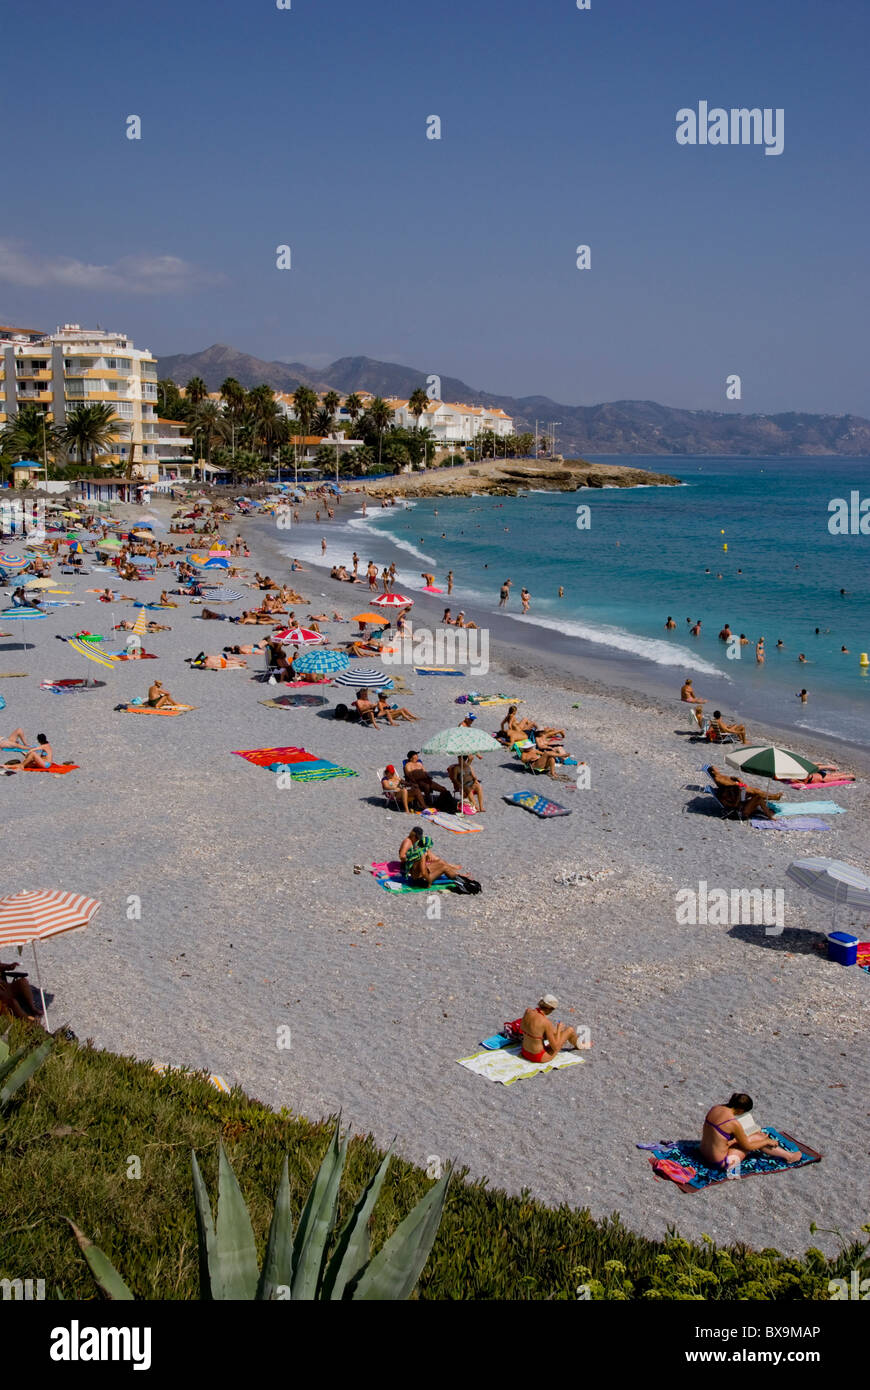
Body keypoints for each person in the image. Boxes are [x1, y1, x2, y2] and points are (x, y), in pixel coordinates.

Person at [700, 1092, 801, 1171]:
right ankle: (790, 1156)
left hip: (703, 1153)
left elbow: (719, 1137)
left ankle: (781, 1151)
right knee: (758, 1138)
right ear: (740, 1110)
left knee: (755, 1135)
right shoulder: (733, 1123)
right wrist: (766, 1141)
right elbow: (747, 1146)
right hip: (720, 1162)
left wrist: (735, 1140)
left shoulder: (715, 1108)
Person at [519, 994, 586, 1064]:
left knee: (552, 1031)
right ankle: (580, 1046)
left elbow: (523, 1028)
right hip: (538, 1056)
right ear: (550, 1009)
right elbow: (556, 1048)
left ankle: (579, 1043)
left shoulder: (528, 1011)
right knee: (570, 1030)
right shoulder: (546, 1022)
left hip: (525, 1052)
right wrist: (559, 1029)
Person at [707, 765, 780, 820]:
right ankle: (770, 813)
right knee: (757, 796)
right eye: (715, 768)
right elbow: (734, 805)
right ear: (713, 771)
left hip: (740, 807)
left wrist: (737, 782)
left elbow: (732, 787)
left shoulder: (726, 789)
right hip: (740, 813)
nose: (717, 768)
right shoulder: (721, 784)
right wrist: (738, 789)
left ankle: (770, 805)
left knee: (756, 794)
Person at [399, 827, 464, 887]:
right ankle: (461, 880)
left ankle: (458, 877)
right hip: (420, 881)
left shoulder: (416, 851)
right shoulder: (410, 844)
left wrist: (427, 853)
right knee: (444, 867)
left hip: (416, 875)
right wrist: (429, 882)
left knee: (441, 862)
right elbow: (424, 872)